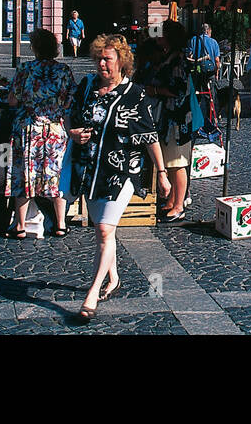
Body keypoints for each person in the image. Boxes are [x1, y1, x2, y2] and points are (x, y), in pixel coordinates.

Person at [68, 34, 170, 319]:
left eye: (107, 59)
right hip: (90, 169)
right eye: (99, 58)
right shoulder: (87, 87)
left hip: (122, 170)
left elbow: (151, 136)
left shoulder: (135, 94)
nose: (101, 64)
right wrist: (72, 133)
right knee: (103, 230)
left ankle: (92, 294)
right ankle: (113, 277)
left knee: (104, 229)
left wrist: (162, 173)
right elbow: (71, 118)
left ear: (121, 63)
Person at [6, 28, 75, 239]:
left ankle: (20, 225)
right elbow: (70, 101)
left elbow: (12, 100)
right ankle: (61, 224)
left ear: (34, 48)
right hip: (55, 128)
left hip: (29, 128)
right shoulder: (63, 71)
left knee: (24, 175)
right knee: (56, 176)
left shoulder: (25, 69)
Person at [151, 21, 193, 223]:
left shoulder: (178, 60)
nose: (157, 36)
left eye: (160, 33)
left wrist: (156, 91)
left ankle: (179, 206)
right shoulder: (169, 56)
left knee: (178, 164)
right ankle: (171, 200)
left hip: (177, 118)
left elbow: (177, 90)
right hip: (169, 117)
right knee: (170, 161)